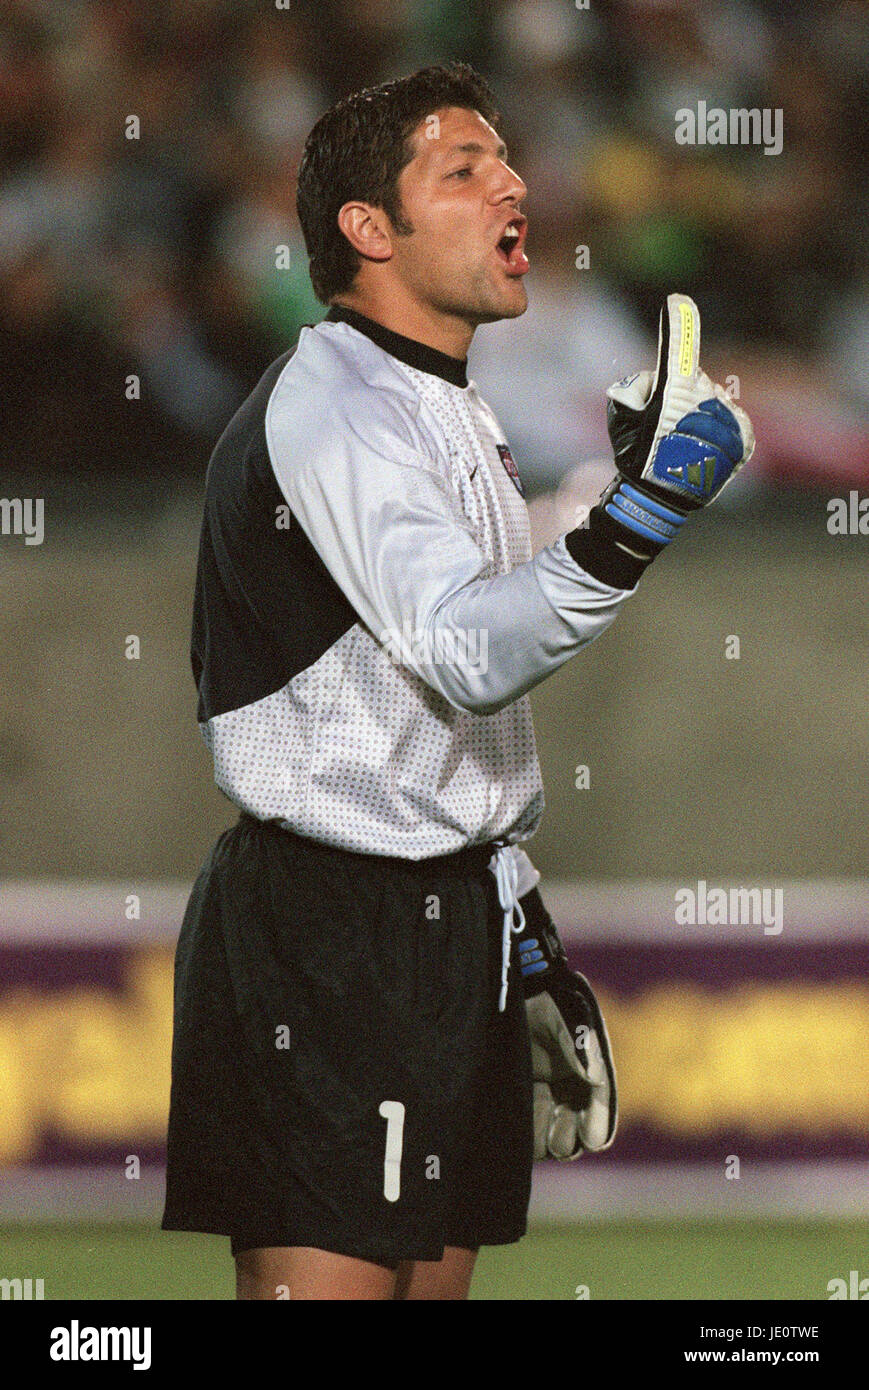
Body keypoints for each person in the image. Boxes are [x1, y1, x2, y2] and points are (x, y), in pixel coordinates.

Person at [161, 63, 753, 1300]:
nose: (512, 182)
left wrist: (514, 910)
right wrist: (633, 519)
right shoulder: (334, 399)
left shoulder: (435, 402)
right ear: (367, 230)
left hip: (446, 914)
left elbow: (465, 629)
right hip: (331, 931)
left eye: (508, 159)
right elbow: (469, 653)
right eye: (463, 167)